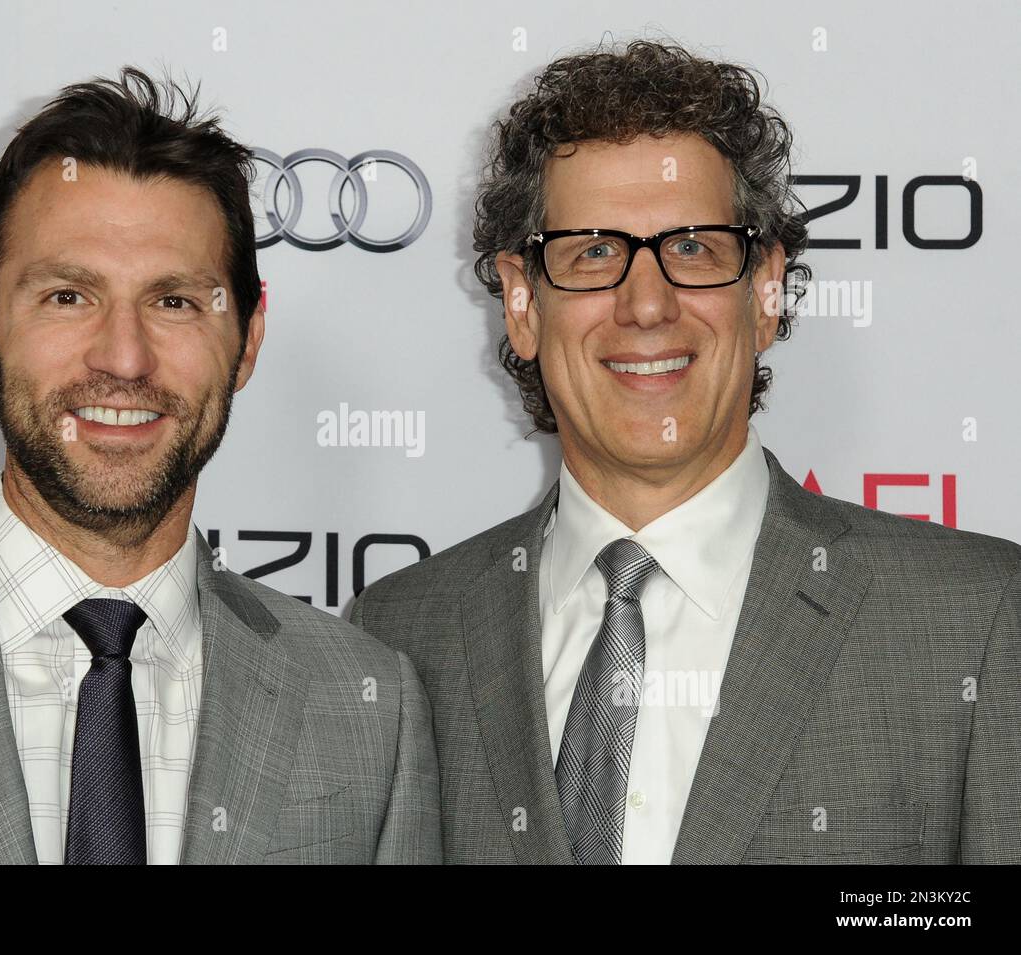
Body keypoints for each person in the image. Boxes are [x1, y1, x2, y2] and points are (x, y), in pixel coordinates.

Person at [0, 68, 439, 865]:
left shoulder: (369, 708)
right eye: (67, 296)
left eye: (175, 301)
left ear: (248, 340)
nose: (124, 358)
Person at [351, 40, 1020, 864]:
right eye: (593, 252)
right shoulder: (400, 636)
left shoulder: (976, 621)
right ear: (522, 304)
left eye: (694, 247)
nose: (646, 304)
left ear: (766, 291)